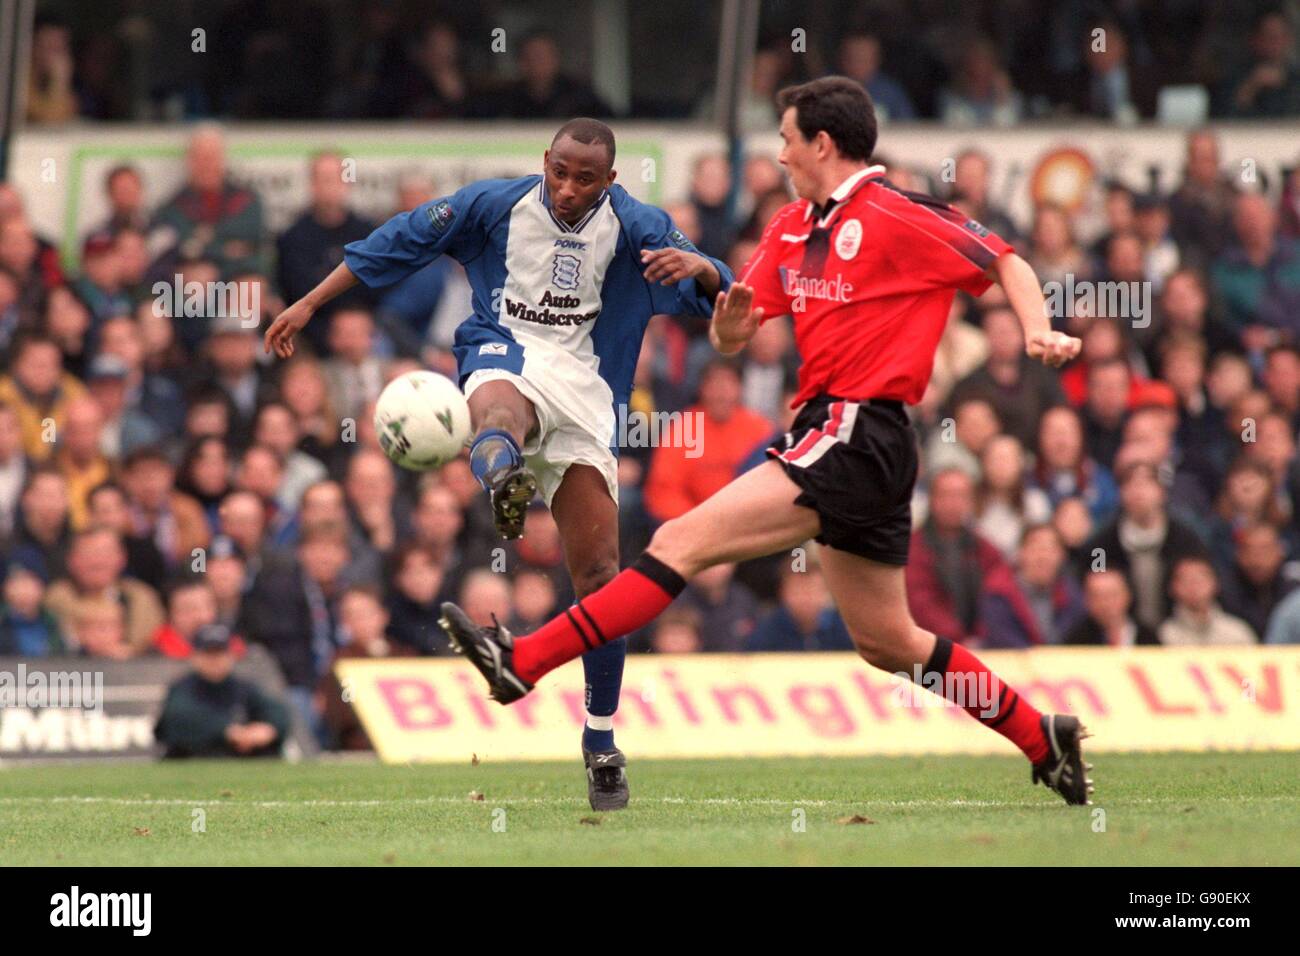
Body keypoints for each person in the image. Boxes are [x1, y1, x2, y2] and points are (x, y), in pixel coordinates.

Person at [438, 77, 1095, 807]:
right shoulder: (788, 228)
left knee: (681, 539)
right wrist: (729, 319)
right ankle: (1043, 737)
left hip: (859, 429)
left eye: (785, 138)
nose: (779, 153)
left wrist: (1037, 327)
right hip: (835, 434)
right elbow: (732, 332)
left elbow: (1002, 257)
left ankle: (522, 661)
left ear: (822, 143)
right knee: (889, 642)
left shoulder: (895, 213)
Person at [265, 118, 731, 812]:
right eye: (560, 171)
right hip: (504, 350)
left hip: (589, 391)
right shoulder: (491, 205)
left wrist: (701, 268)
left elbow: (718, 286)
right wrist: (308, 301)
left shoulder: (638, 225)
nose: (567, 188)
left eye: (584, 179)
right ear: (545, 160)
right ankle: (501, 473)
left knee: (602, 577)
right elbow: (397, 240)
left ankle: (601, 743)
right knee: (500, 411)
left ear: (610, 180)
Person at [154, 623, 291, 759]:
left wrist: (266, 730)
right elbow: (178, 717)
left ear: (231, 655)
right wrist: (228, 731)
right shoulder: (182, 687)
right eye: (208, 653)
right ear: (195, 656)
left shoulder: (243, 687)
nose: (215, 660)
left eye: (220, 653)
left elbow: (276, 711)